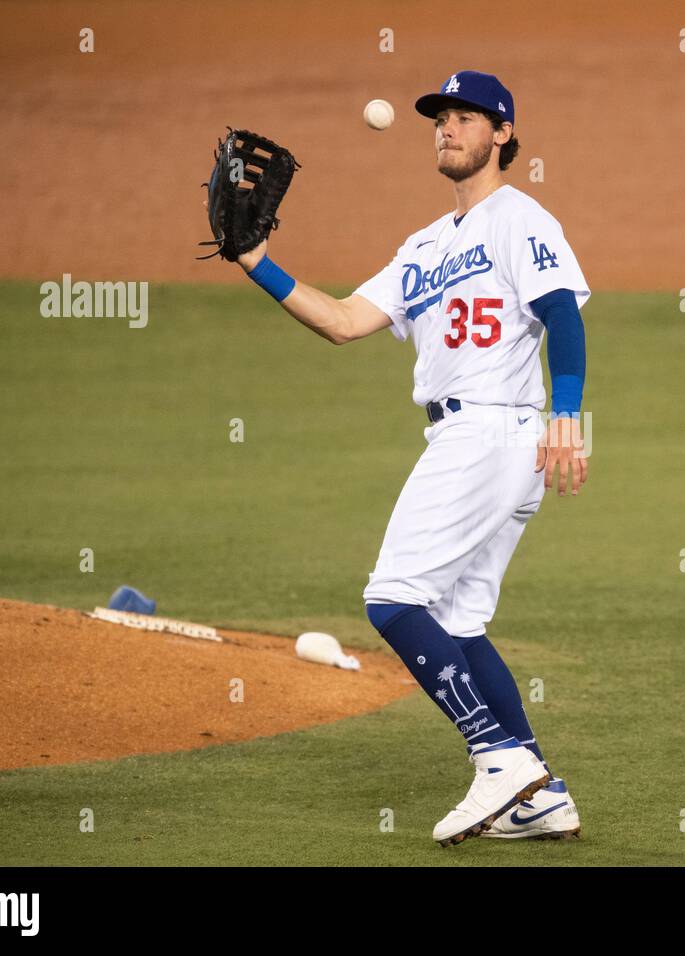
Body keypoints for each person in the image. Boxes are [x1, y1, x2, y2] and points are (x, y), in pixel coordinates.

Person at [233, 71, 589, 845]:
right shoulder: (423, 247)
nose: (447, 128)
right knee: (458, 621)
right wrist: (256, 259)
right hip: (472, 440)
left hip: (494, 432)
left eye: (466, 118)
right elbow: (340, 320)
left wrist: (568, 417)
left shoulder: (519, 217)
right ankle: (538, 791)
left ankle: (496, 758)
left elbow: (561, 311)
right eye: (440, 118)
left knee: (392, 598)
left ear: (502, 135)